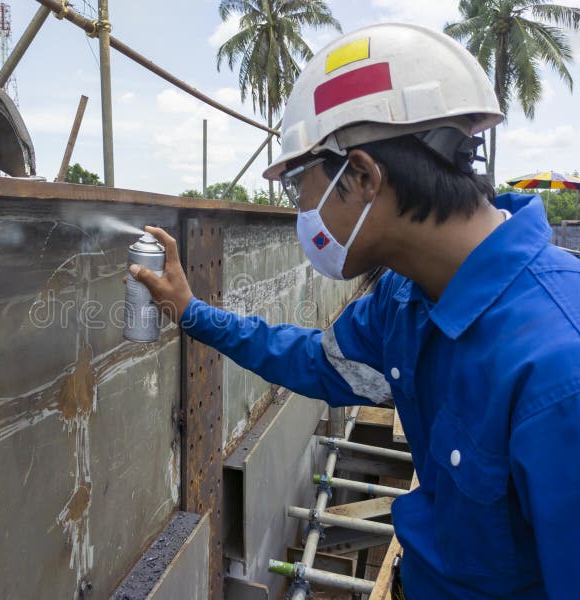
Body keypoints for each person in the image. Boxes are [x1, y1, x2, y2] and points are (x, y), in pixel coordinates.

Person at [130, 23, 580, 600]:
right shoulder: (406, 301)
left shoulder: (559, 368)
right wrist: (192, 312)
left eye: (301, 187)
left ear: (364, 176)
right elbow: (314, 361)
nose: (301, 211)